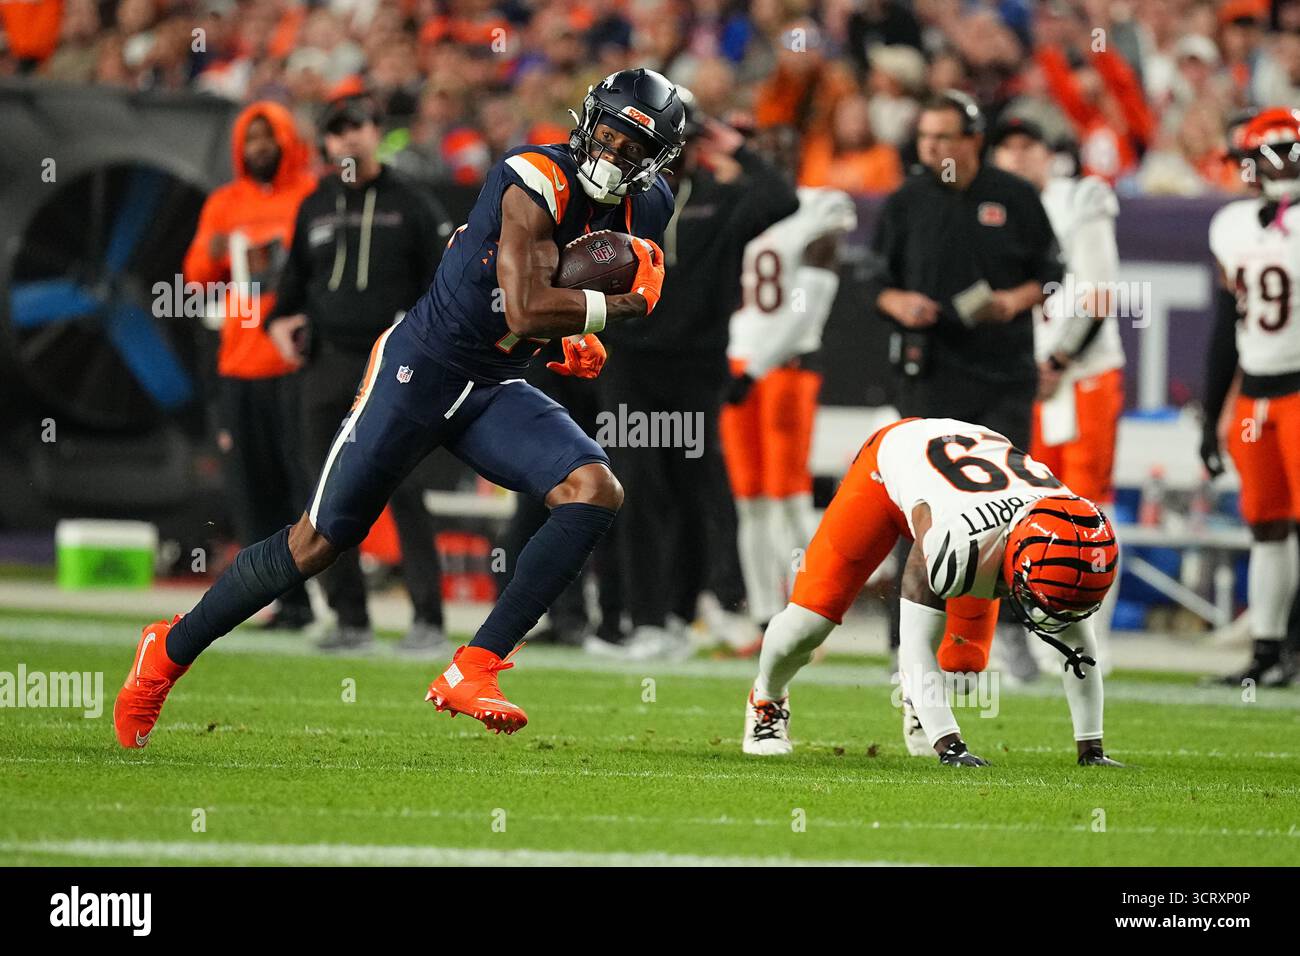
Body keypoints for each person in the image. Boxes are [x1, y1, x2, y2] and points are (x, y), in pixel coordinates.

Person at [113, 68, 682, 745]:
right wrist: (612, 309)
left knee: (593, 490)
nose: (613, 157)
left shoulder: (651, 207)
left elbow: (549, 303)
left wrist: (581, 335)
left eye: (632, 151)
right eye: (610, 137)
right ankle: (167, 653)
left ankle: (474, 666)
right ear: (587, 122)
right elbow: (529, 303)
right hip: (423, 368)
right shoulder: (533, 177)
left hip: (494, 383)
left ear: (657, 163)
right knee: (318, 541)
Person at [741, 417, 1122, 767]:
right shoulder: (958, 545)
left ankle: (920, 701)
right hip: (886, 471)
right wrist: (950, 747)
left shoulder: (1069, 532)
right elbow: (914, 642)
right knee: (808, 622)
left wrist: (1091, 749)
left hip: (965, 490)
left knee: (964, 666)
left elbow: (1076, 643)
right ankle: (766, 699)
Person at [866, 91, 1066, 681]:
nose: (933, 148)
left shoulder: (1015, 195)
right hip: (928, 375)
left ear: (972, 139)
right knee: (920, 507)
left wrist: (1013, 300)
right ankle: (906, 643)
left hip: (1002, 372)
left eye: (944, 137)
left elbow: (1050, 272)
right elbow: (875, 279)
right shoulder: (907, 200)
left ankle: (1007, 635)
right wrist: (898, 302)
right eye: (925, 138)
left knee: (1010, 507)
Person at [596, 98, 799, 661]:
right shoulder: (623, 200)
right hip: (632, 364)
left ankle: (680, 617)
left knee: (687, 495)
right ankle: (646, 621)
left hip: (694, 368)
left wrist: (738, 148)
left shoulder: (720, 197)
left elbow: (782, 197)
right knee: (635, 488)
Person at [264, 93, 451, 655]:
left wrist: (422, 351)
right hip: (326, 363)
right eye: (337, 130)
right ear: (325, 143)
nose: (348, 139)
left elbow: (442, 289)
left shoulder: (413, 203)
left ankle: (428, 619)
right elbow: (291, 286)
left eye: (359, 127)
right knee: (325, 494)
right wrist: (279, 322)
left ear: (377, 133)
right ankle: (350, 619)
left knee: (406, 488)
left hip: (395, 366)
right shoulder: (314, 204)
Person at [989, 117, 1126, 666]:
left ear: (1051, 153)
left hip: (1081, 373)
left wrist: (1058, 358)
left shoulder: (1081, 199)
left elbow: (1099, 292)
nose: (1019, 157)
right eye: (1008, 147)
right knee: (1028, 510)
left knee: (1090, 507)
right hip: (1025, 378)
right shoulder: (998, 208)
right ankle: (1038, 633)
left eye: (1030, 145)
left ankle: (1092, 640)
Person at [182, 101, 318, 632]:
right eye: (251, 139)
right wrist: (216, 250)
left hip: (294, 365)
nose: (259, 147)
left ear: (287, 141)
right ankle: (281, 602)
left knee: (302, 488)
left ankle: (312, 600)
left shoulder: (309, 193)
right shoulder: (223, 203)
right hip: (238, 366)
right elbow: (196, 277)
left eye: (269, 138)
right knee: (250, 490)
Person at [721, 124, 857, 637]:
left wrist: (755, 368)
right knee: (750, 503)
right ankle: (763, 618)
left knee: (790, 499)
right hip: (738, 364)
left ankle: (812, 613)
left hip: (784, 369)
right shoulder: (733, 207)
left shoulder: (818, 208)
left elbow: (807, 309)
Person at [1201, 107, 1300, 687]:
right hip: (1256, 395)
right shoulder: (1231, 225)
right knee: (1266, 525)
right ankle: (1268, 653)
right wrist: (1210, 415)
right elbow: (1225, 330)